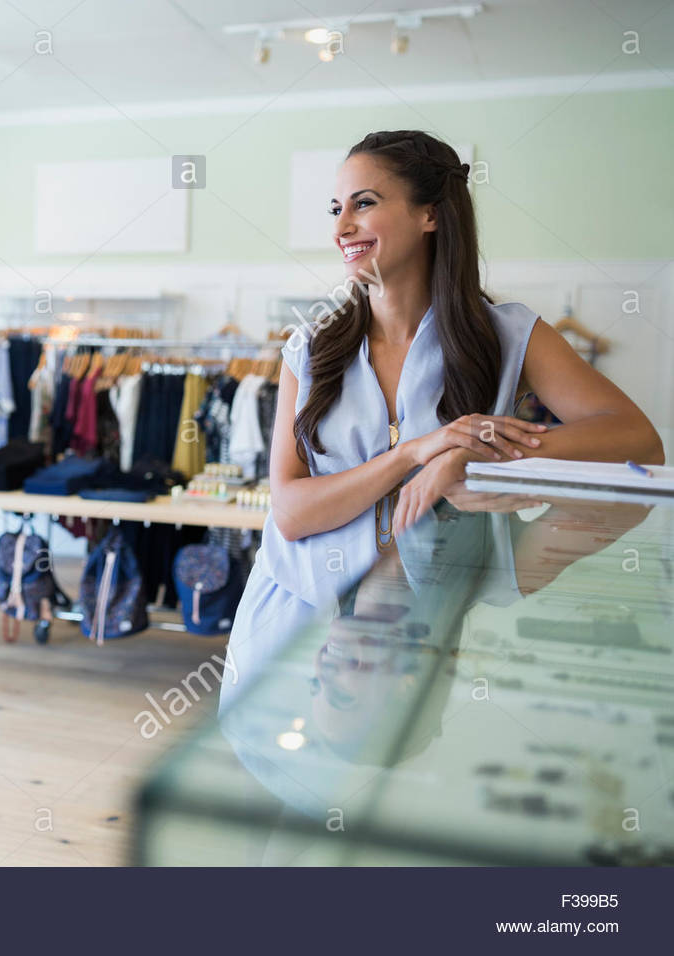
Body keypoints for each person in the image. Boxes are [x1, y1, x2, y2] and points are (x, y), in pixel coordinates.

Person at [220, 129, 663, 714]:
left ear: (430, 214)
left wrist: (480, 455)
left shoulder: (507, 335)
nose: (341, 227)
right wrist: (414, 454)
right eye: (336, 208)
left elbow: (637, 439)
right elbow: (292, 512)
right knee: (259, 792)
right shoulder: (310, 350)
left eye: (364, 203)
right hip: (290, 622)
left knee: (382, 779)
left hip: (413, 634)